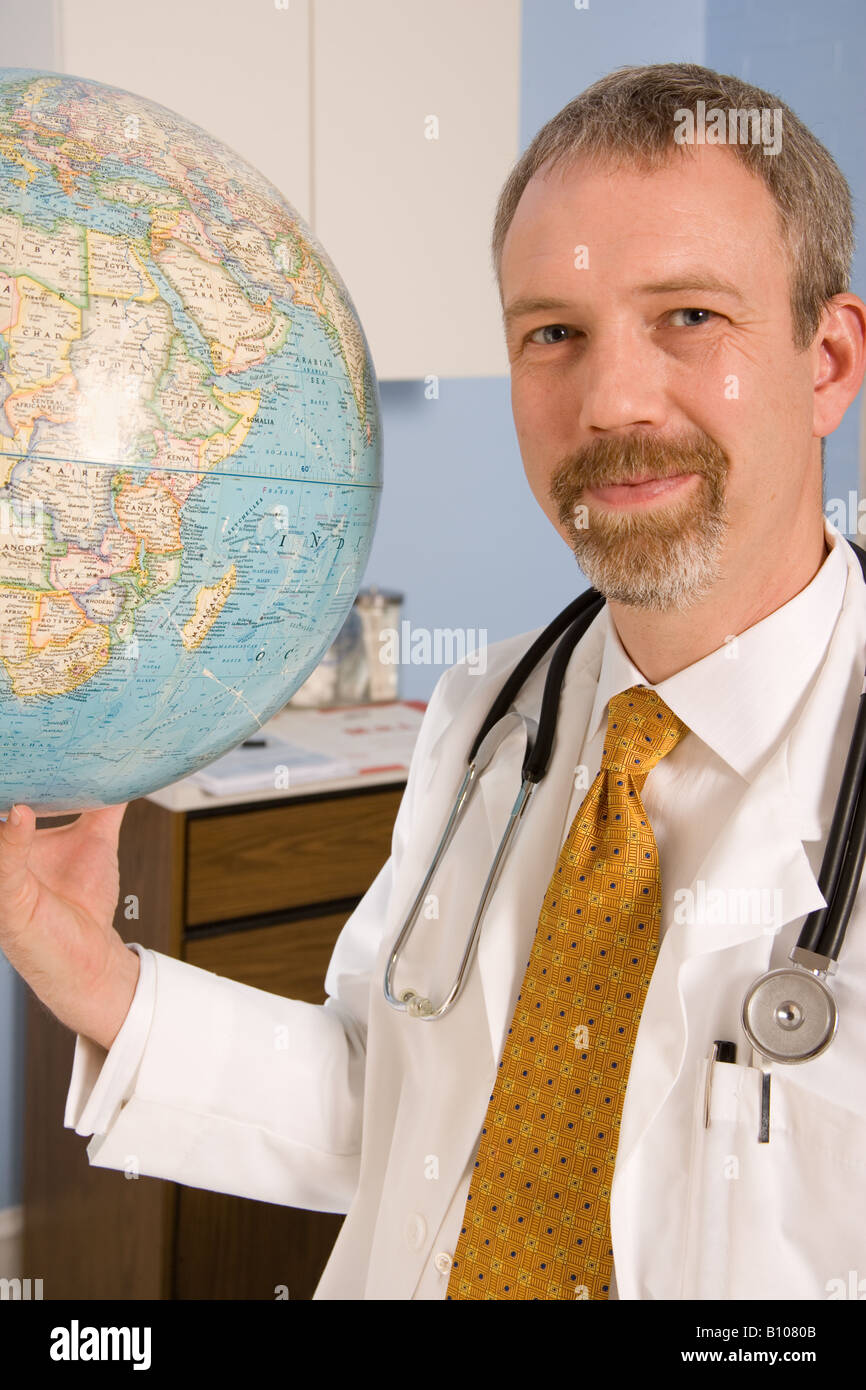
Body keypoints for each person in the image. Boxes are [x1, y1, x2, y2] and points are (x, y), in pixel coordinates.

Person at [2, 62, 865, 1301]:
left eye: (687, 317)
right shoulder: (482, 718)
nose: (610, 399)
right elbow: (394, 1102)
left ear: (826, 359)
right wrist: (95, 973)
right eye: (552, 334)